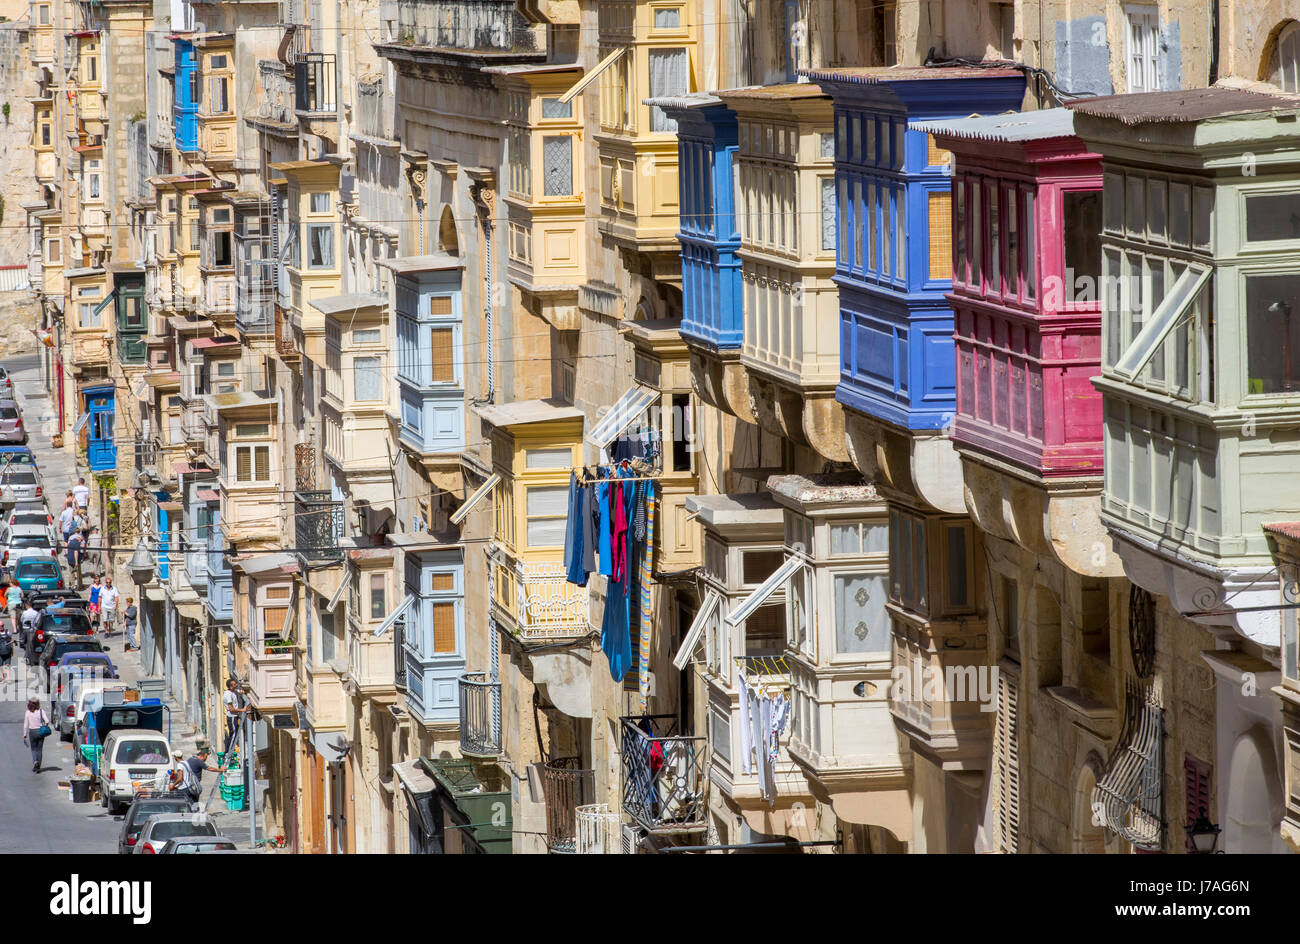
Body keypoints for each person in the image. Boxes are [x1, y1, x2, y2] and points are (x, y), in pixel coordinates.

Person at [22, 698, 50, 773]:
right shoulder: (41, 711)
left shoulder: (27, 712)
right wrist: (44, 725)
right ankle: (38, 766)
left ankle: (35, 762)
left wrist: (24, 735)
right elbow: (47, 721)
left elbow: (26, 725)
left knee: (33, 749)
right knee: (39, 749)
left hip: (32, 732)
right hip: (40, 731)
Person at [222, 679, 248, 753]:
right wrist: (242, 710)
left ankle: (228, 751)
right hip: (232, 717)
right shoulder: (228, 695)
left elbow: (239, 692)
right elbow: (231, 709)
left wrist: (243, 692)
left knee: (233, 734)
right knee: (233, 734)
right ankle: (228, 752)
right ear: (230, 686)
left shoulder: (233, 692)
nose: (236, 685)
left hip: (234, 716)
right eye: (234, 684)